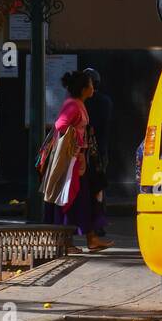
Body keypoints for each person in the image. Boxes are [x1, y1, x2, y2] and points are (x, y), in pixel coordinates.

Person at [43, 70, 112, 252]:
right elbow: (61, 126)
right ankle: (66, 243)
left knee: (84, 199)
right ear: (83, 89)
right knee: (71, 200)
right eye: (89, 84)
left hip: (79, 162)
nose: (92, 87)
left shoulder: (78, 103)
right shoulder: (73, 105)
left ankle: (91, 239)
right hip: (71, 164)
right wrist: (77, 147)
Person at [82, 66, 113, 237]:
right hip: (101, 150)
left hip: (84, 149)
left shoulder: (83, 102)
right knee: (99, 188)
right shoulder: (106, 102)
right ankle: (99, 223)